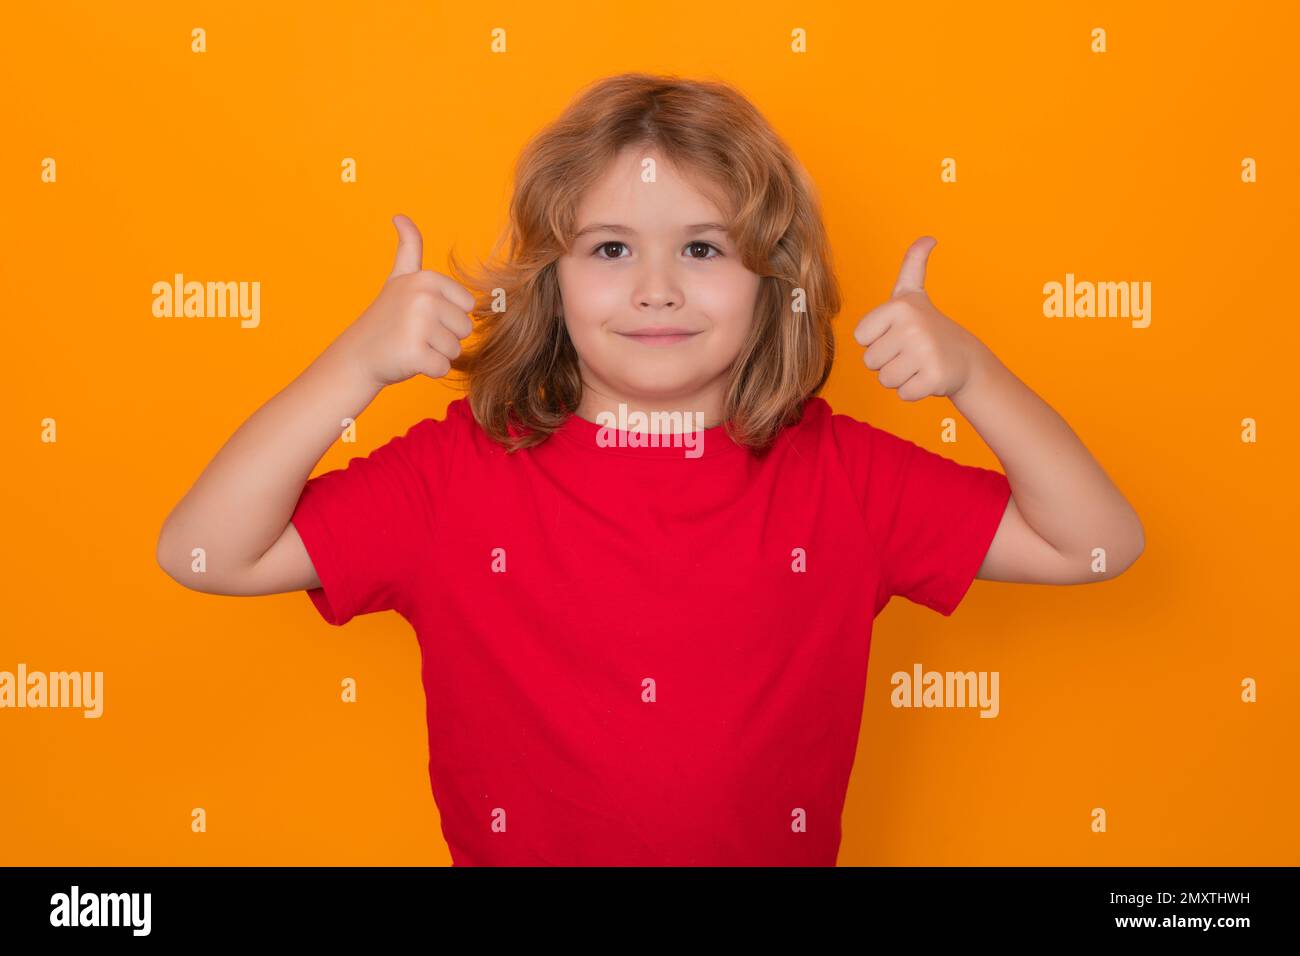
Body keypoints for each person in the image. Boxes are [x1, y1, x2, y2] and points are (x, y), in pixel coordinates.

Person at [156, 72, 1144, 866]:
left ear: (774, 282)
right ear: (550, 281)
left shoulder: (842, 476)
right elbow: (205, 552)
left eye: (703, 248)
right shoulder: (456, 474)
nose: (657, 289)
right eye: (611, 249)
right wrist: (354, 365)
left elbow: (1096, 543)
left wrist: (975, 375)